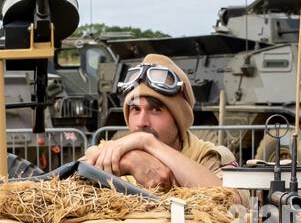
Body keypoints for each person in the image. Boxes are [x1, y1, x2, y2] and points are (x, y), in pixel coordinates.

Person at [83, 53, 234, 190]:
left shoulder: (208, 157)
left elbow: (234, 200)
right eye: (135, 109)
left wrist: (148, 142)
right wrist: (131, 161)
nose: (142, 122)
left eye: (155, 110)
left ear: (178, 119)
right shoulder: (108, 153)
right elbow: (66, 187)